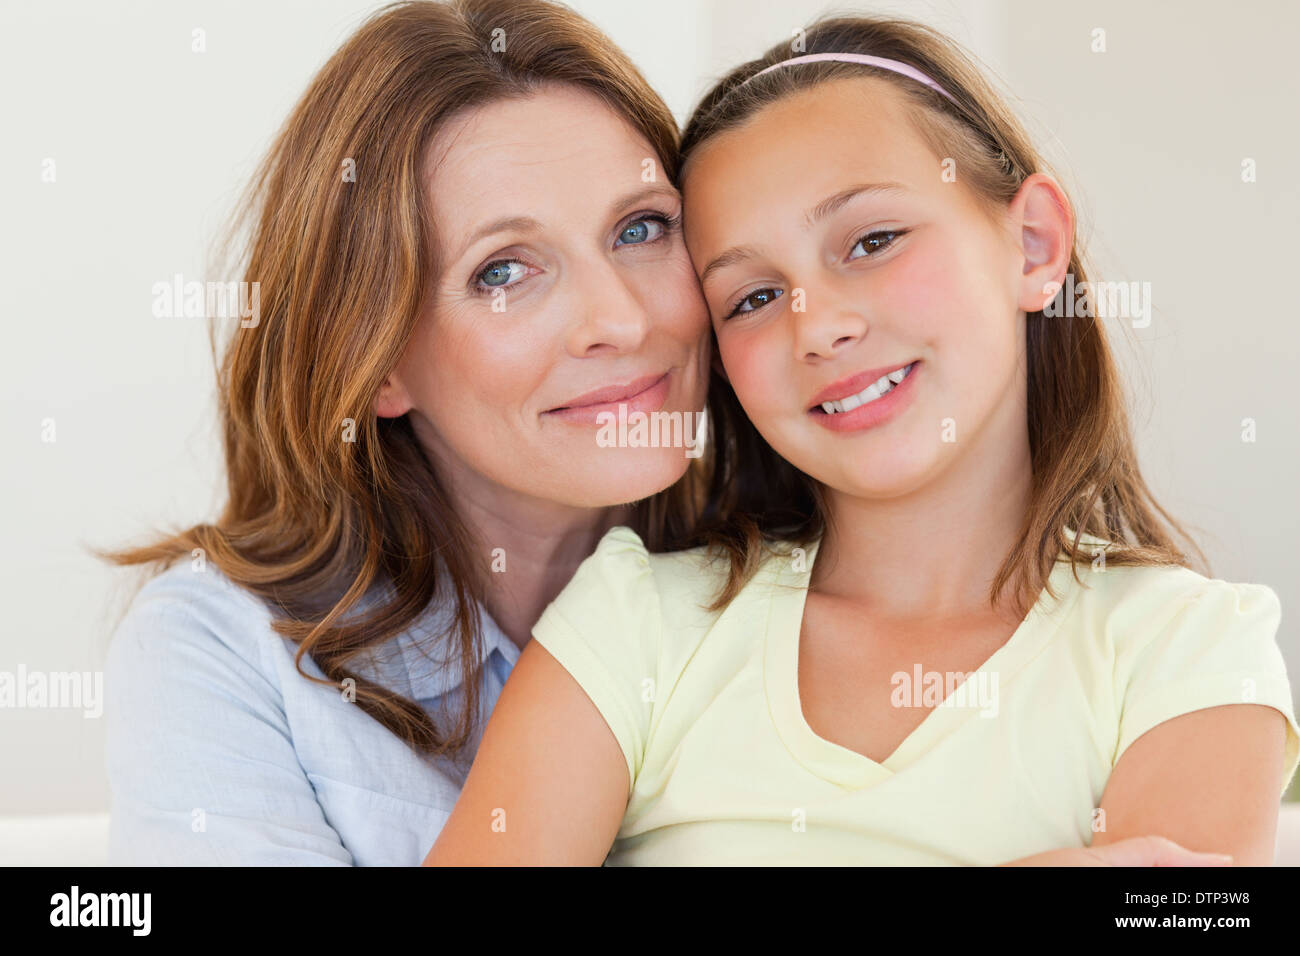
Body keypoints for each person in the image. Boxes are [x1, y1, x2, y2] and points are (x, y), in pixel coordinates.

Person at [425, 15, 1299, 866]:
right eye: (753, 298)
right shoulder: (632, 626)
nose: (820, 327)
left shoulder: (1187, 650)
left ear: (1033, 243)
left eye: (872, 240)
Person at [102, 0, 714, 865]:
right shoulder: (222, 656)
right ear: (378, 360)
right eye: (504, 271)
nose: (620, 317)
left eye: (641, 228)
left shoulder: (796, 583)